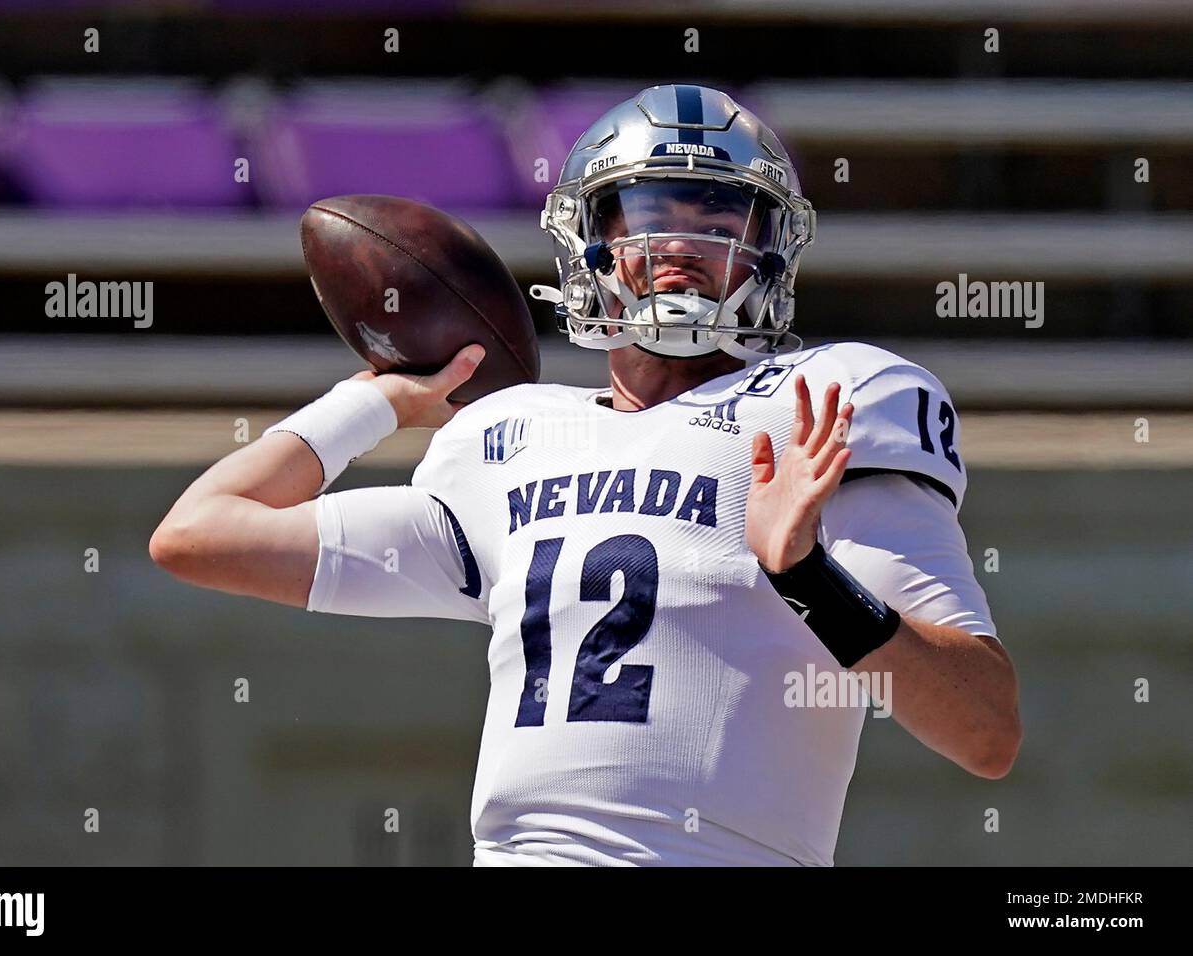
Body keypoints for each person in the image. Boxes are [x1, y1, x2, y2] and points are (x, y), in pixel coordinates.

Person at [150, 84, 1021, 866]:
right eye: (648, 214)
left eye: (720, 219)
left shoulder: (828, 401)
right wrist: (378, 399)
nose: (681, 243)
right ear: (589, 245)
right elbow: (198, 535)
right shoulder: (508, 435)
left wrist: (808, 578)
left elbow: (984, 730)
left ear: (769, 251)